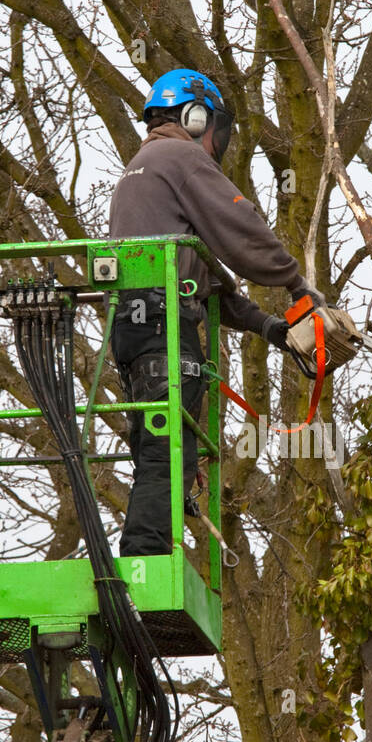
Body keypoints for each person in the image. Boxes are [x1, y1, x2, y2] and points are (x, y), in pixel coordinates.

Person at [107, 68, 327, 556]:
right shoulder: (180, 156)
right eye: (216, 127)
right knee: (169, 452)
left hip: (132, 329)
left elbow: (205, 280)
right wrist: (296, 285)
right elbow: (241, 229)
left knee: (157, 448)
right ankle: (145, 562)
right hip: (165, 326)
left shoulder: (139, 170)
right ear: (195, 117)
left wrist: (269, 328)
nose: (215, 141)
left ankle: (146, 554)